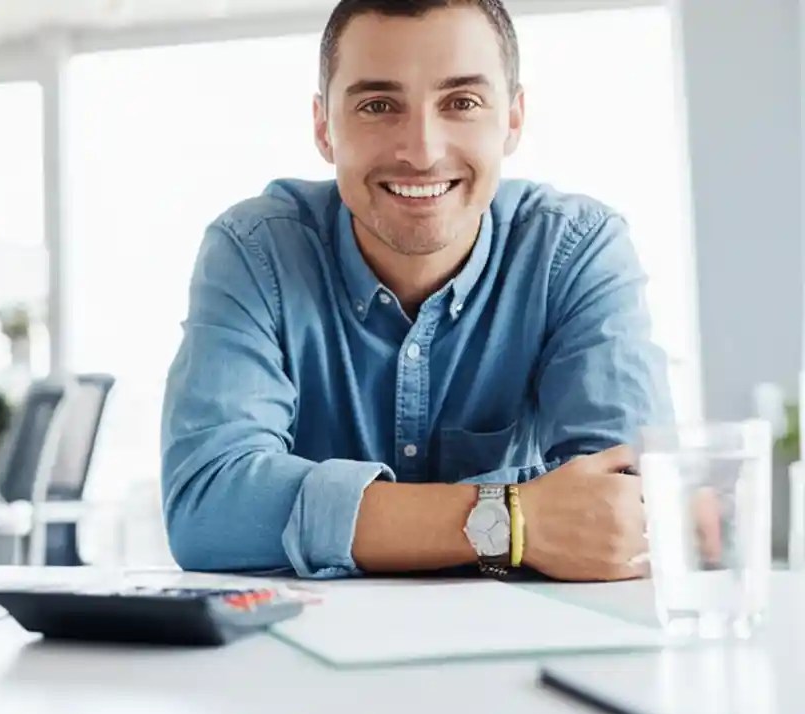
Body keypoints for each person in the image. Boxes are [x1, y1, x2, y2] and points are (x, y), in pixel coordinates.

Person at [160, 0, 673, 581]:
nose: (423, 151)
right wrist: (514, 519)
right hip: (301, 657)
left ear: (513, 119)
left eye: (462, 103)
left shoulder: (575, 251)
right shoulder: (255, 251)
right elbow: (208, 508)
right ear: (324, 127)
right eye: (378, 105)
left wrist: (326, 516)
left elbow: (628, 512)